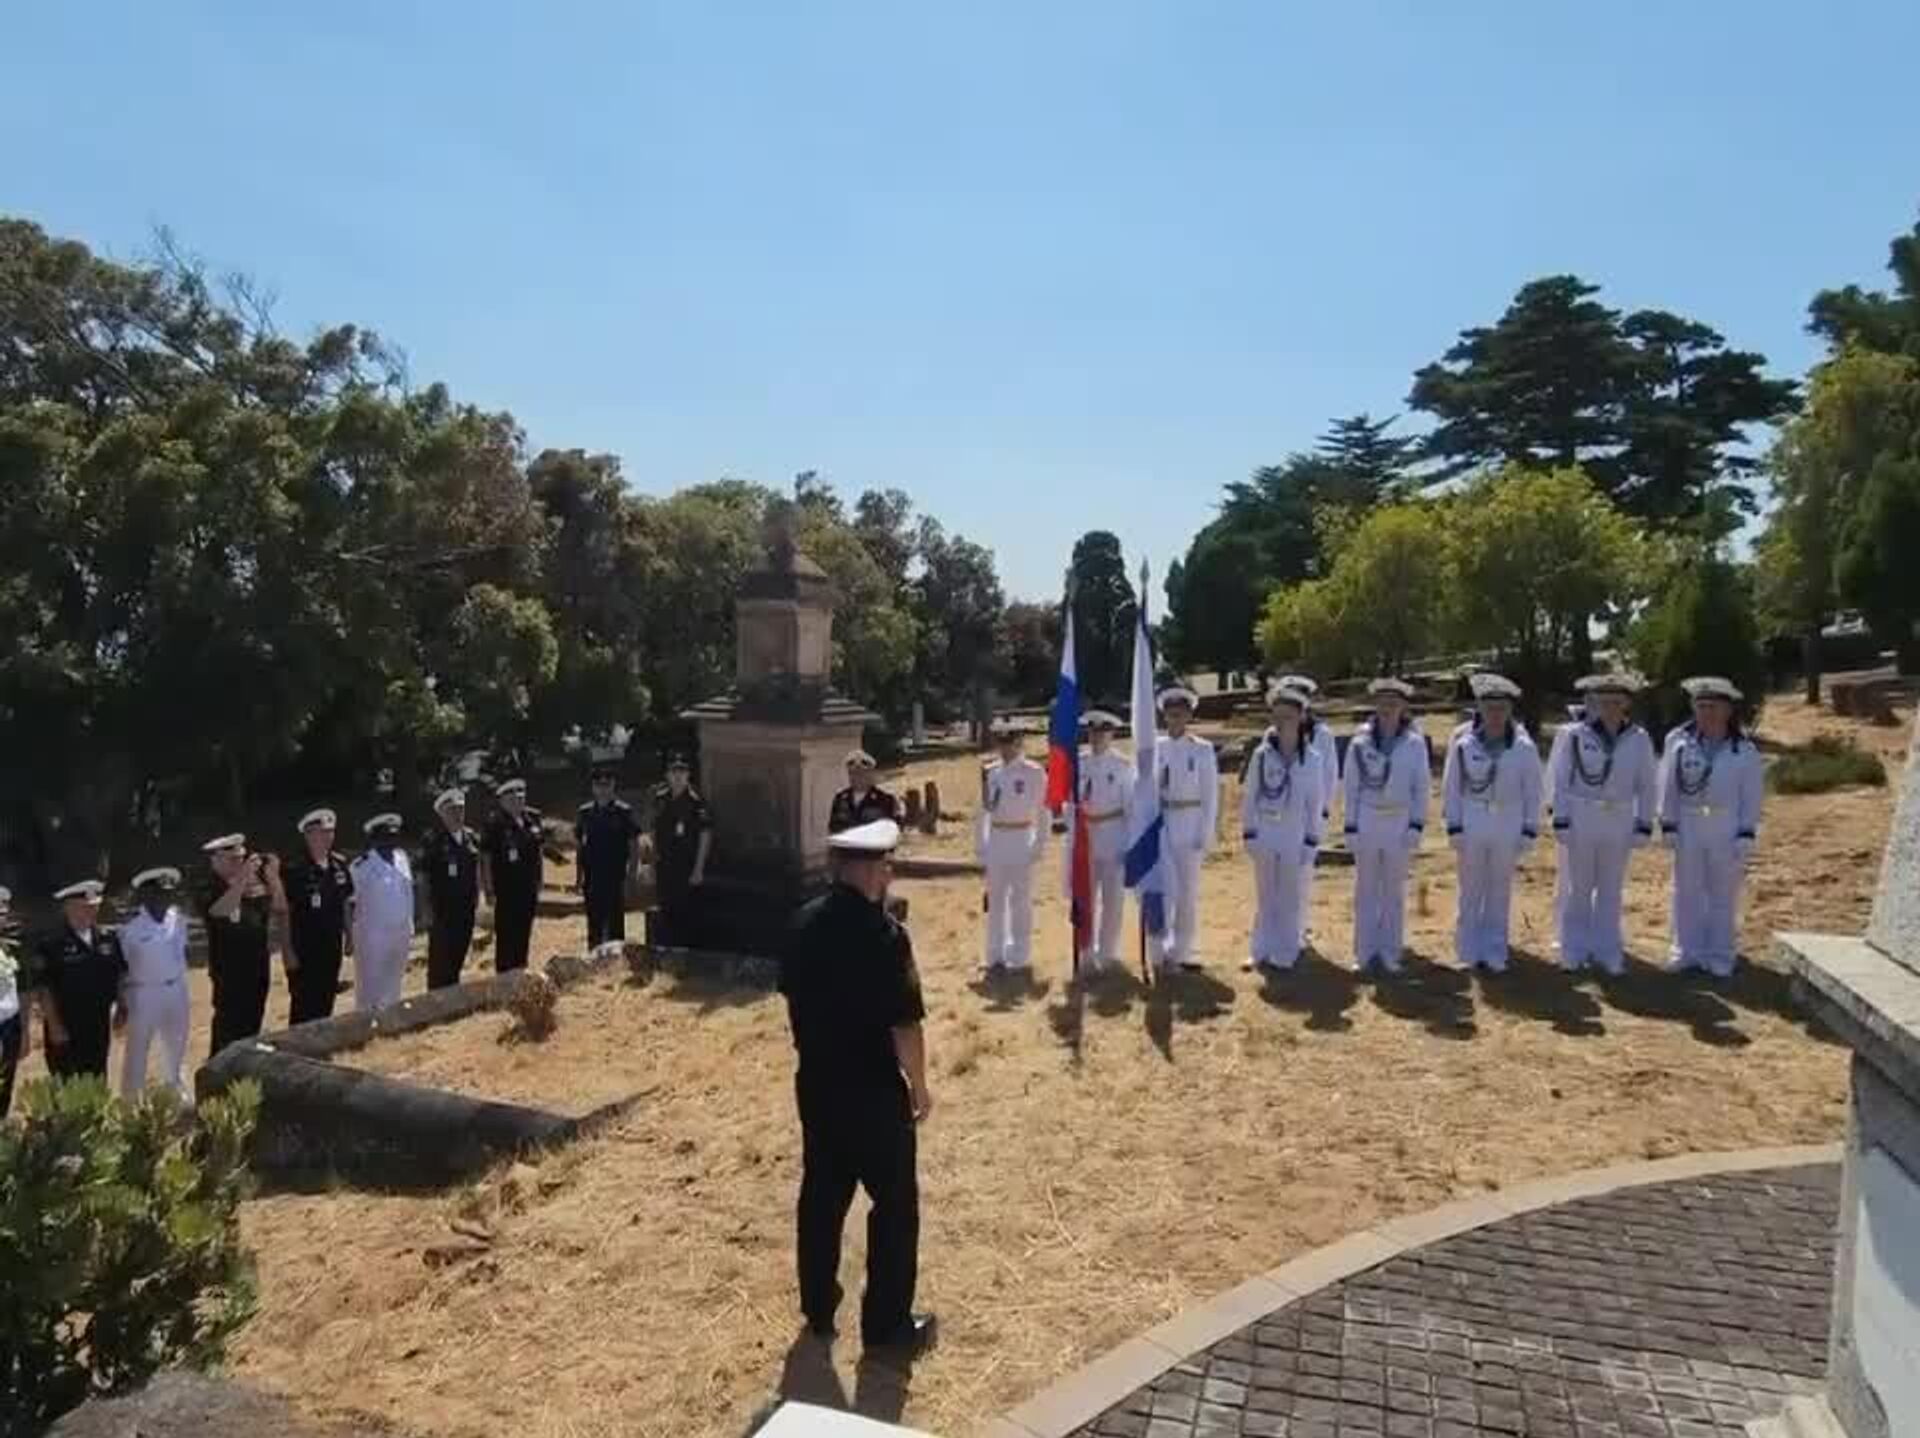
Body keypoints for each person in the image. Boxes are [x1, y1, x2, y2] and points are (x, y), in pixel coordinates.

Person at [777, 818, 935, 1356]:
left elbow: (790, 996)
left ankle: (818, 1307)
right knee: (893, 1205)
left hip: (818, 1083)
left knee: (822, 1196)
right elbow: (905, 1025)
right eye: (885, 864)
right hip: (872, 1090)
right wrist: (919, 1086)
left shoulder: (801, 923)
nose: (889, 873)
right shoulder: (886, 935)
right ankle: (887, 1327)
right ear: (865, 870)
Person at [1548, 674, 1659, 975]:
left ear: (1626, 704)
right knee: (1579, 887)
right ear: (1594, 703)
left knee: (1611, 888)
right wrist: (1561, 818)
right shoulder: (1576, 736)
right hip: (1583, 815)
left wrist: (1644, 822)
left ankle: (1607, 949)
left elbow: (1648, 784)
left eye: (1616, 702)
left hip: (1619, 818)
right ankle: (1573, 948)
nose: (1609, 707)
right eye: (1603, 701)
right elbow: (1561, 779)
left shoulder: (1638, 738)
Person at [1658, 676, 1765, 979]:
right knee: (1686, 890)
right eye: (1701, 706)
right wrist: (1668, 823)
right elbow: (1667, 785)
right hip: (1689, 822)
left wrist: (1746, 831)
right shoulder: (1677, 742)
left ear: (1728, 710)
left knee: (1722, 893)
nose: (1707, 713)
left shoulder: (1744, 751)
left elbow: (1751, 795)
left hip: (1725, 823)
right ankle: (1685, 951)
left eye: (1714, 707)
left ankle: (1720, 953)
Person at [1441, 674, 1544, 973]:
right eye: (1489, 708)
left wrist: (1528, 829)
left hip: (1507, 820)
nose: (1495, 715)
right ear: (1479, 710)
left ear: (1510, 710)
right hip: (1473, 818)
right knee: (1470, 887)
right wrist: (1455, 826)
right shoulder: (1463, 743)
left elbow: (1533, 790)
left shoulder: (1523, 747)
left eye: (1501, 708)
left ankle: (1496, 949)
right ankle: (1467, 949)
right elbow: (1452, 786)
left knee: (1499, 888)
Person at [1342, 678, 1429, 975]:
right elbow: (1351, 786)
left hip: (1399, 821)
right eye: (1382, 703)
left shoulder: (1415, 743)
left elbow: (1422, 787)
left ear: (1403, 706)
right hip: (1367, 819)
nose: (1388, 709)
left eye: (1394, 703)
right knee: (1365, 889)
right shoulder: (1360, 741)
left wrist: (1416, 825)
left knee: (1393, 890)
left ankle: (1391, 951)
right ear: (1375, 705)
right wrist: (1350, 826)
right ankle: (1364, 952)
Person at [1239, 685, 1324, 973]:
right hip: (1265, 829)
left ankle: (1286, 950)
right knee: (1265, 894)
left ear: (1301, 717)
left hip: (1294, 833)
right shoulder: (1262, 755)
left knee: (1289, 894)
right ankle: (1261, 949)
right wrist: (1249, 832)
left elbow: (1315, 804)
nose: (1282, 722)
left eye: (1289, 716)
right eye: (1278, 716)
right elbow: (1250, 795)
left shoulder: (1312, 760)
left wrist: (1312, 841)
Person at [31, 879, 126, 1079]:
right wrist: (55, 1025)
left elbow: (119, 973)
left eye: (95, 907)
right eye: (85, 908)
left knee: (97, 1074)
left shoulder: (107, 937)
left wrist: (121, 1007)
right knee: (66, 1080)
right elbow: (44, 988)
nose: (91, 912)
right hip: (66, 1022)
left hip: (98, 1020)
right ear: (68, 908)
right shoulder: (51, 943)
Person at [198, 834, 283, 1057]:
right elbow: (219, 911)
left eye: (241, 858)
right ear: (215, 860)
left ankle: (245, 1075)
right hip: (229, 971)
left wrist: (273, 878)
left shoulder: (255, 885)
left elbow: (279, 907)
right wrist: (242, 880)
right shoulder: (208, 885)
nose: (239, 863)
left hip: (257, 966)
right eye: (232, 859)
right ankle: (219, 1075)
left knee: (253, 1022)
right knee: (228, 1027)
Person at [1154, 687, 1219, 971]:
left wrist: (1205, 833)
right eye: (1170, 713)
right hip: (1164, 823)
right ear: (1164, 715)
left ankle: (1183, 950)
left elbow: (1210, 795)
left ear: (1189, 715)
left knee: (1187, 892)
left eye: (1180, 712)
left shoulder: (1202, 749)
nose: (1175, 717)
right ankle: (1161, 948)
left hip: (1191, 822)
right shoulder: (1156, 748)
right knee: (1164, 890)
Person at [1276, 673, 1339, 955]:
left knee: (1301, 876)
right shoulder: (1275, 733)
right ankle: (1275, 929)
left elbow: (1329, 776)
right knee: (1275, 878)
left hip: (1306, 816)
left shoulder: (1321, 734)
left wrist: (1321, 814)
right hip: (1276, 817)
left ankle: (1298, 930)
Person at [976, 721, 1047, 972]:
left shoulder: (1033, 772)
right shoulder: (991, 772)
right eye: (1001, 743)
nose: (1005, 749)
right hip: (996, 838)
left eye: (1011, 743)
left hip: (1021, 836)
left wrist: (1039, 844)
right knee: (995, 900)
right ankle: (994, 954)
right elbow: (982, 811)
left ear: (1020, 743)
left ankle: (1019, 954)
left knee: (1020, 900)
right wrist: (981, 844)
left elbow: (1043, 811)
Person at [118, 867, 192, 1099]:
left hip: (176, 989)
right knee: (138, 1048)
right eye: (160, 893)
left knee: (176, 1043)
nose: (166, 898)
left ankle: (175, 1092)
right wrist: (121, 1003)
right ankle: (131, 1100)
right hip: (144, 993)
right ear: (146, 895)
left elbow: (181, 952)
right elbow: (122, 968)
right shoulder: (130, 928)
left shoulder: (178, 919)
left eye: (169, 893)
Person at [1072, 710, 1134, 970]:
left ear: (1112, 734)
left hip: (1113, 833)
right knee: (1085, 896)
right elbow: (1068, 803)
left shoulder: (1122, 766)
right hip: (1086, 836)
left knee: (1113, 898)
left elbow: (1130, 807)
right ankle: (1086, 950)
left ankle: (1108, 951)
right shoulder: (1078, 763)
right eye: (1093, 732)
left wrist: (1129, 843)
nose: (1097, 737)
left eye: (1103, 732)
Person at [282, 808, 355, 1023]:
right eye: (322, 833)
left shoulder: (339, 865)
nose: (327, 837)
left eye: (330, 832)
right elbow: (283, 911)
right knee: (304, 1002)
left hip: (331, 943)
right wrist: (287, 950)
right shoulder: (294, 869)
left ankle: (320, 1043)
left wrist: (349, 936)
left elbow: (345, 902)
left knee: (327, 996)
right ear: (308, 835)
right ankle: (298, 1049)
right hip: (304, 946)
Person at [645, 754, 711, 948]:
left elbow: (705, 836)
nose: (678, 776)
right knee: (665, 909)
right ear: (667, 775)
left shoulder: (696, 802)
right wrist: (649, 864)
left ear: (688, 775)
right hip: (664, 863)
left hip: (686, 865)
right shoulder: (659, 799)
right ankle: (666, 953)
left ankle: (683, 955)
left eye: (682, 772)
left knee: (685, 912)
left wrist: (699, 868)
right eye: (674, 772)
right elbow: (652, 831)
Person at [350, 814, 415, 1011]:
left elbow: (408, 891)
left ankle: (389, 1021)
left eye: (393, 836)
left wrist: (410, 924)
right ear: (373, 839)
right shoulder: (361, 867)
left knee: (394, 979)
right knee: (370, 985)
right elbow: (351, 903)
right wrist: (350, 936)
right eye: (385, 837)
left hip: (401, 931)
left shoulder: (402, 858)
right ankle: (365, 1025)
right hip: (373, 936)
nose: (390, 842)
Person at [575, 765, 642, 949]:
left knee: (615, 924)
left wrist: (632, 875)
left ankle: (614, 964)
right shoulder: (585, 813)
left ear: (613, 786)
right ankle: (594, 961)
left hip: (615, 877)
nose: (603, 789)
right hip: (592, 877)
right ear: (593, 788)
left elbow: (634, 846)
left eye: (607, 785)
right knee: (594, 923)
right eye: (599, 785)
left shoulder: (624, 812)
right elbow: (580, 847)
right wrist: (578, 877)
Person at [481, 779, 544, 973]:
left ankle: (520, 971)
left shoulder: (532, 820)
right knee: (507, 936)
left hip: (528, 887)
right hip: (506, 890)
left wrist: (540, 879)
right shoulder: (495, 824)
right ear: (502, 801)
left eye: (521, 797)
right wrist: (489, 889)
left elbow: (538, 852)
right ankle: (504, 977)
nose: (519, 801)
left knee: (524, 932)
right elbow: (486, 858)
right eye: (513, 798)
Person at [422, 788, 482, 989]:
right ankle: (435, 1003)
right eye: (452, 811)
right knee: (440, 960)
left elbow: (478, 869)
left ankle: (452, 999)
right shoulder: (434, 840)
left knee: (458, 955)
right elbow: (423, 876)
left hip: (466, 908)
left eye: (461, 810)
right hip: (442, 911)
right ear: (442, 814)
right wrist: (426, 910)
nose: (458, 815)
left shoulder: (471, 837)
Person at [0, 885, 30, 1116]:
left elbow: (23, 989)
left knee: (6, 1083)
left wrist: (25, 1030)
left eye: (4, 909)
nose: (2, 914)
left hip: (10, 1024)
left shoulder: (12, 947)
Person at [829, 751, 901, 833]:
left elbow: (893, 829)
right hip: (845, 845)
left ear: (870, 774)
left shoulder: (885, 799)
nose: (857, 777)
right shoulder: (840, 798)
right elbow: (832, 828)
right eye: (853, 773)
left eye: (861, 773)